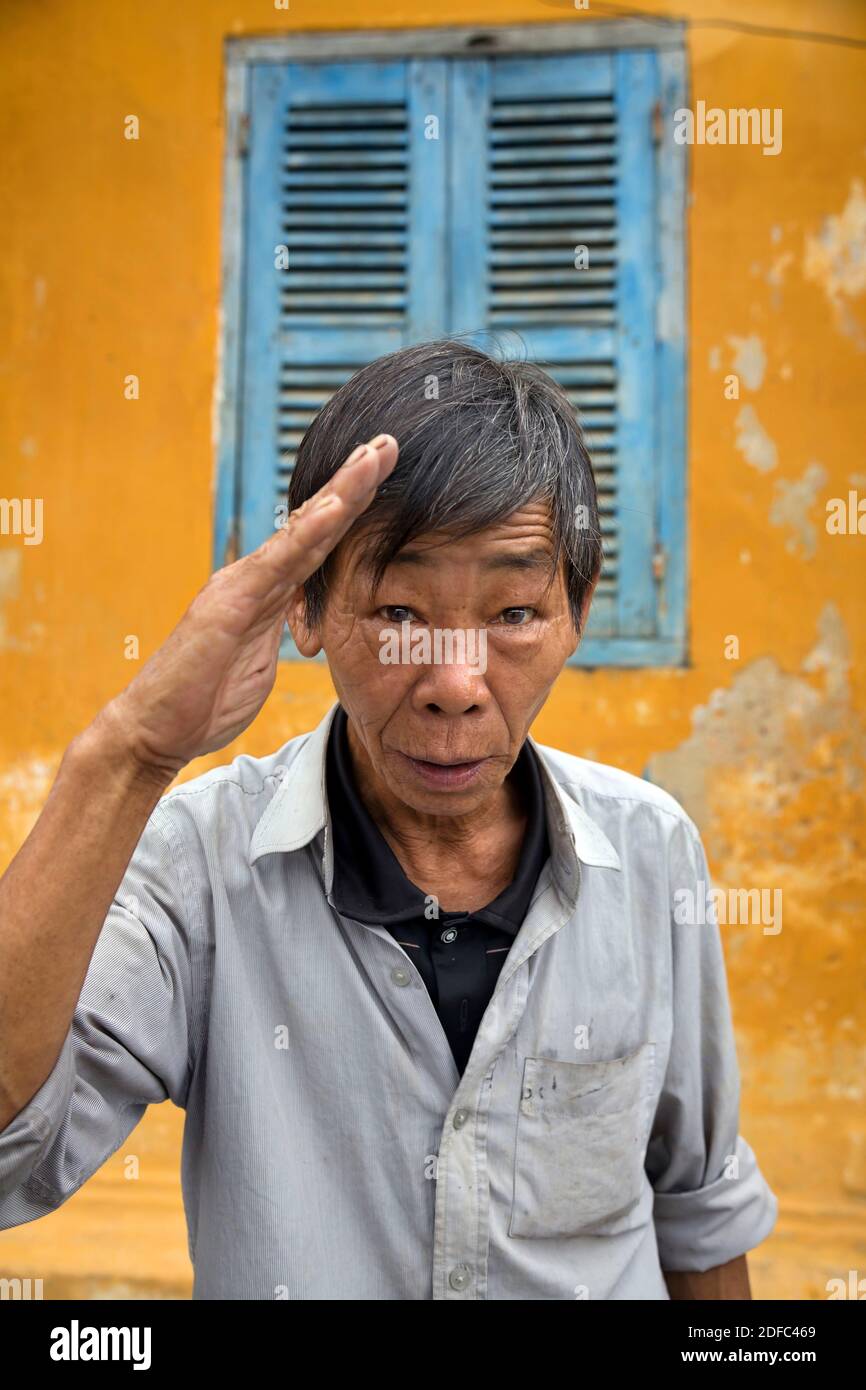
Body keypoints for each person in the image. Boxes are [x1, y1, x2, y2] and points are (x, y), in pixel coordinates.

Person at [0, 340, 777, 1300]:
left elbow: (696, 1214)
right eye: (400, 610)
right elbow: (8, 1155)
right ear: (308, 608)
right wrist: (127, 756)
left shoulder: (652, 852)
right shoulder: (202, 861)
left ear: (577, 611)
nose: (455, 684)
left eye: (514, 613)